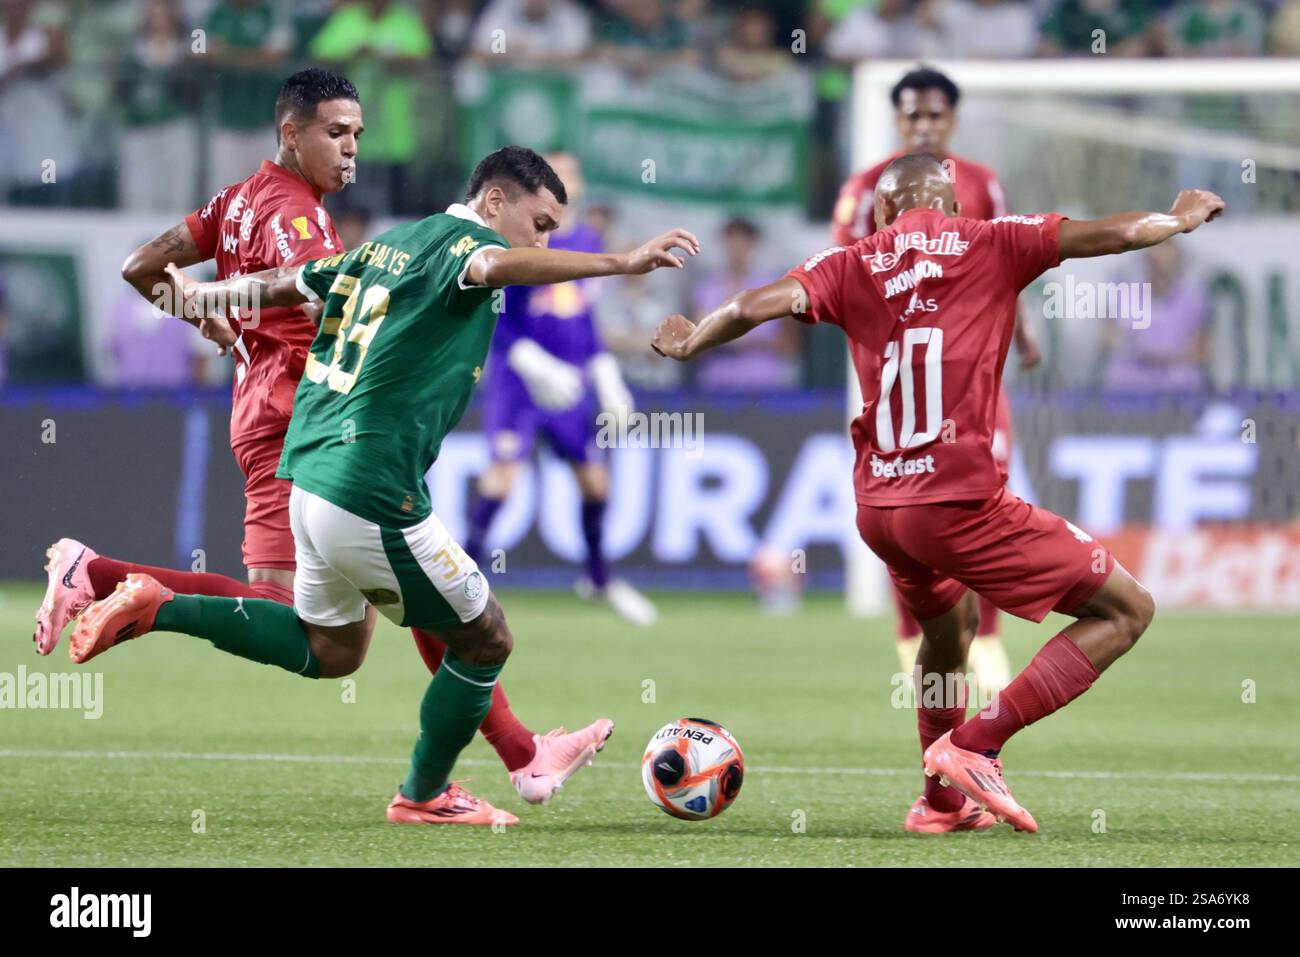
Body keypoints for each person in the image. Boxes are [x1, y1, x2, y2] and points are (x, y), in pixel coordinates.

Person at [65, 146, 699, 825]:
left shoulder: (389, 245)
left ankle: (158, 602)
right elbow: (498, 264)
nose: (543, 240)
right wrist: (623, 261)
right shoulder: (468, 246)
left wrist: (202, 302)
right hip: (369, 489)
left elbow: (285, 284)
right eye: (539, 223)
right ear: (493, 203)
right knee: (486, 639)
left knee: (330, 649)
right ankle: (428, 792)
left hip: (310, 480)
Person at [653, 152, 1223, 833]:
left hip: (881, 509)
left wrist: (692, 341)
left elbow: (752, 305)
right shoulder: (994, 240)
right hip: (960, 505)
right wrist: (1181, 218)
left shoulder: (851, 261)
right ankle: (979, 742)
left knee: (949, 634)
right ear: (955, 206)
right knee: (1127, 610)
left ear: (884, 210)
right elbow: (1117, 233)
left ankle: (940, 801)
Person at [831, 64, 1042, 696]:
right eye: (911, 115)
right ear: (896, 119)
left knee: (985, 500)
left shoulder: (982, 184)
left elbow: (1008, 259)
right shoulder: (869, 188)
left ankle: (991, 657)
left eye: (934, 115)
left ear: (951, 119)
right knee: (907, 513)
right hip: (903, 384)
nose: (923, 125)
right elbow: (837, 266)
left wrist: (1024, 333)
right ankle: (922, 666)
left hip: (975, 385)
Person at [464, 153, 656, 626]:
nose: (562, 184)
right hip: (522, 382)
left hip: (571, 384)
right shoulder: (519, 241)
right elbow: (499, 311)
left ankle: (597, 576)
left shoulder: (586, 241)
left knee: (594, 480)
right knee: (503, 477)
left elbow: (585, 317)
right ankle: (463, 579)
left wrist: (606, 374)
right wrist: (532, 363)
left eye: (569, 175)